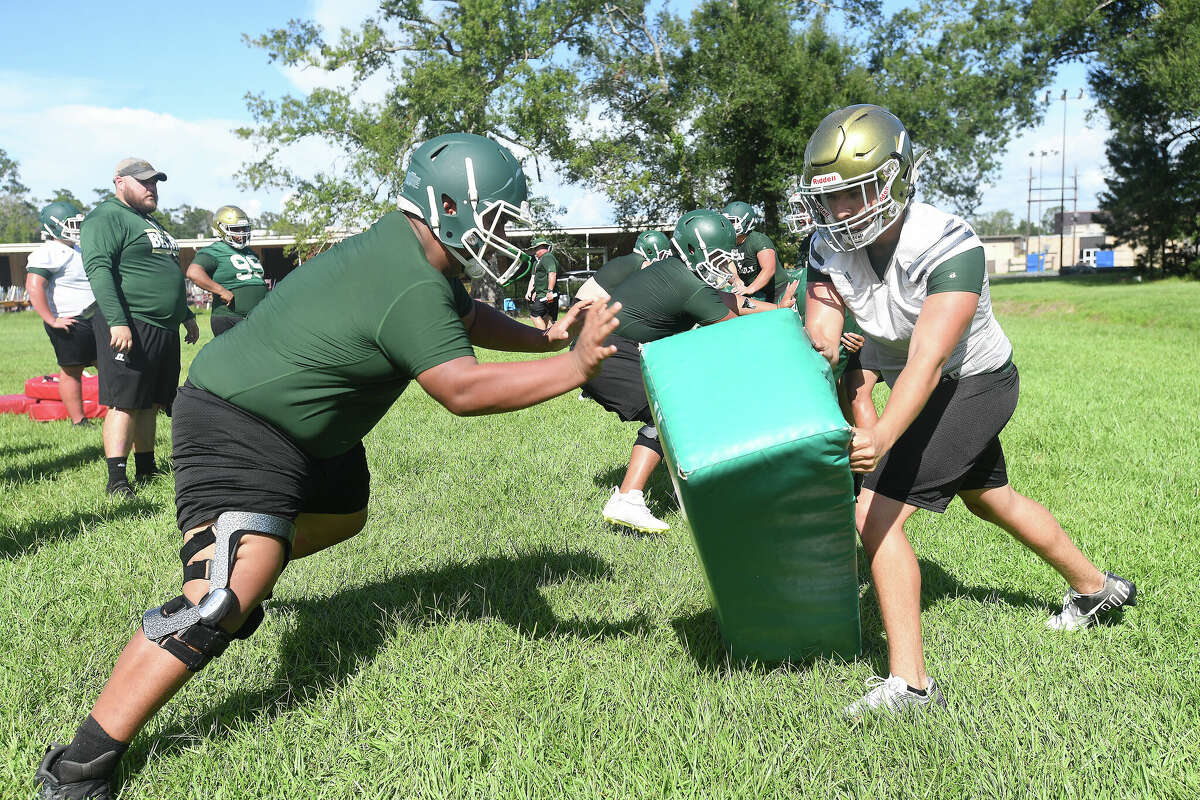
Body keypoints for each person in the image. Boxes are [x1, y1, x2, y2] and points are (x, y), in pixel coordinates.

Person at [34, 132, 621, 800]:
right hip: (237, 420)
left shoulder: (415, 255)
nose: (506, 234)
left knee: (343, 517)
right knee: (222, 599)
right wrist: (573, 366)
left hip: (307, 436)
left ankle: (242, 550)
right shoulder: (406, 275)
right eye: (498, 218)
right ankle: (79, 765)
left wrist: (543, 337)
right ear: (449, 205)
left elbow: (466, 314)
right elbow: (461, 389)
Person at [794, 104, 1137, 718]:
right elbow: (823, 326)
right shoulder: (824, 244)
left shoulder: (948, 242)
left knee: (873, 514)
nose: (842, 212)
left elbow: (927, 361)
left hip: (974, 380)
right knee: (989, 497)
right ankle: (1098, 590)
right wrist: (822, 341)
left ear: (896, 180)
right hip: (917, 378)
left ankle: (913, 687)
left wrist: (881, 436)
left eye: (857, 192)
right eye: (832, 198)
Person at [590, 209, 783, 534]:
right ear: (696, 251)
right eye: (721, 258)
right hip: (605, 351)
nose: (727, 267)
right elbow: (733, 322)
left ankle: (696, 488)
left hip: (607, 346)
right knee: (673, 410)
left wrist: (782, 310)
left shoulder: (678, 271)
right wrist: (782, 322)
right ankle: (630, 498)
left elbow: (732, 301)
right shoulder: (689, 283)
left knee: (677, 408)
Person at [82, 158, 200, 497]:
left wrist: (186, 314)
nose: (152, 188)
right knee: (126, 401)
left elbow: (164, 271)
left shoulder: (149, 222)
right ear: (119, 182)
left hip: (163, 326)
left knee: (150, 401)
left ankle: (146, 469)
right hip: (130, 321)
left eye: (155, 183)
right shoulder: (106, 217)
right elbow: (99, 270)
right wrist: (118, 322)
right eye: (144, 182)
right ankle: (117, 479)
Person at [25, 201, 96, 426]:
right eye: (71, 223)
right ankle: (79, 420)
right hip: (71, 319)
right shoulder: (48, 252)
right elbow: (34, 287)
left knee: (111, 364)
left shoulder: (77, 249)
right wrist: (51, 319)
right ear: (53, 226)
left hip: (95, 317)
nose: (76, 228)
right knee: (71, 370)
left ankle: (120, 409)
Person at [185, 205, 269, 336]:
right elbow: (193, 272)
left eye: (244, 228)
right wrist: (220, 290)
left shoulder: (249, 252)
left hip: (256, 318)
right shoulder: (215, 250)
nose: (241, 233)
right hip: (230, 317)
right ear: (221, 229)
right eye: (236, 229)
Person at [573, 230, 673, 304]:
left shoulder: (631, 260)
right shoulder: (640, 263)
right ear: (650, 251)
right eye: (662, 255)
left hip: (584, 304)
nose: (664, 260)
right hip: (586, 307)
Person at [723, 201, 780, 302]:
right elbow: (727, 263)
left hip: (775, 291)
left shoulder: (757, 239)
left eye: (732, 222)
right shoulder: (727, 242)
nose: (728, 225)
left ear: (747, 222)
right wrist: (736, 279)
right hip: (752, 292)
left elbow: (769, 269)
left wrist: (751, 288)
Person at [524, 237, 559, 330]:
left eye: (535, 248)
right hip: (543, 294)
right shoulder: (536, 262)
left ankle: (543, 338)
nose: (534, 251)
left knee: (534, 314)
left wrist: (550, 291)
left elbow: (552, 273)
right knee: (548, 318)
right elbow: (533, 278)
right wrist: (530, 291)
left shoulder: (547, 257)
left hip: (546, 295)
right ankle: (552, 342)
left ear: (542, 247)